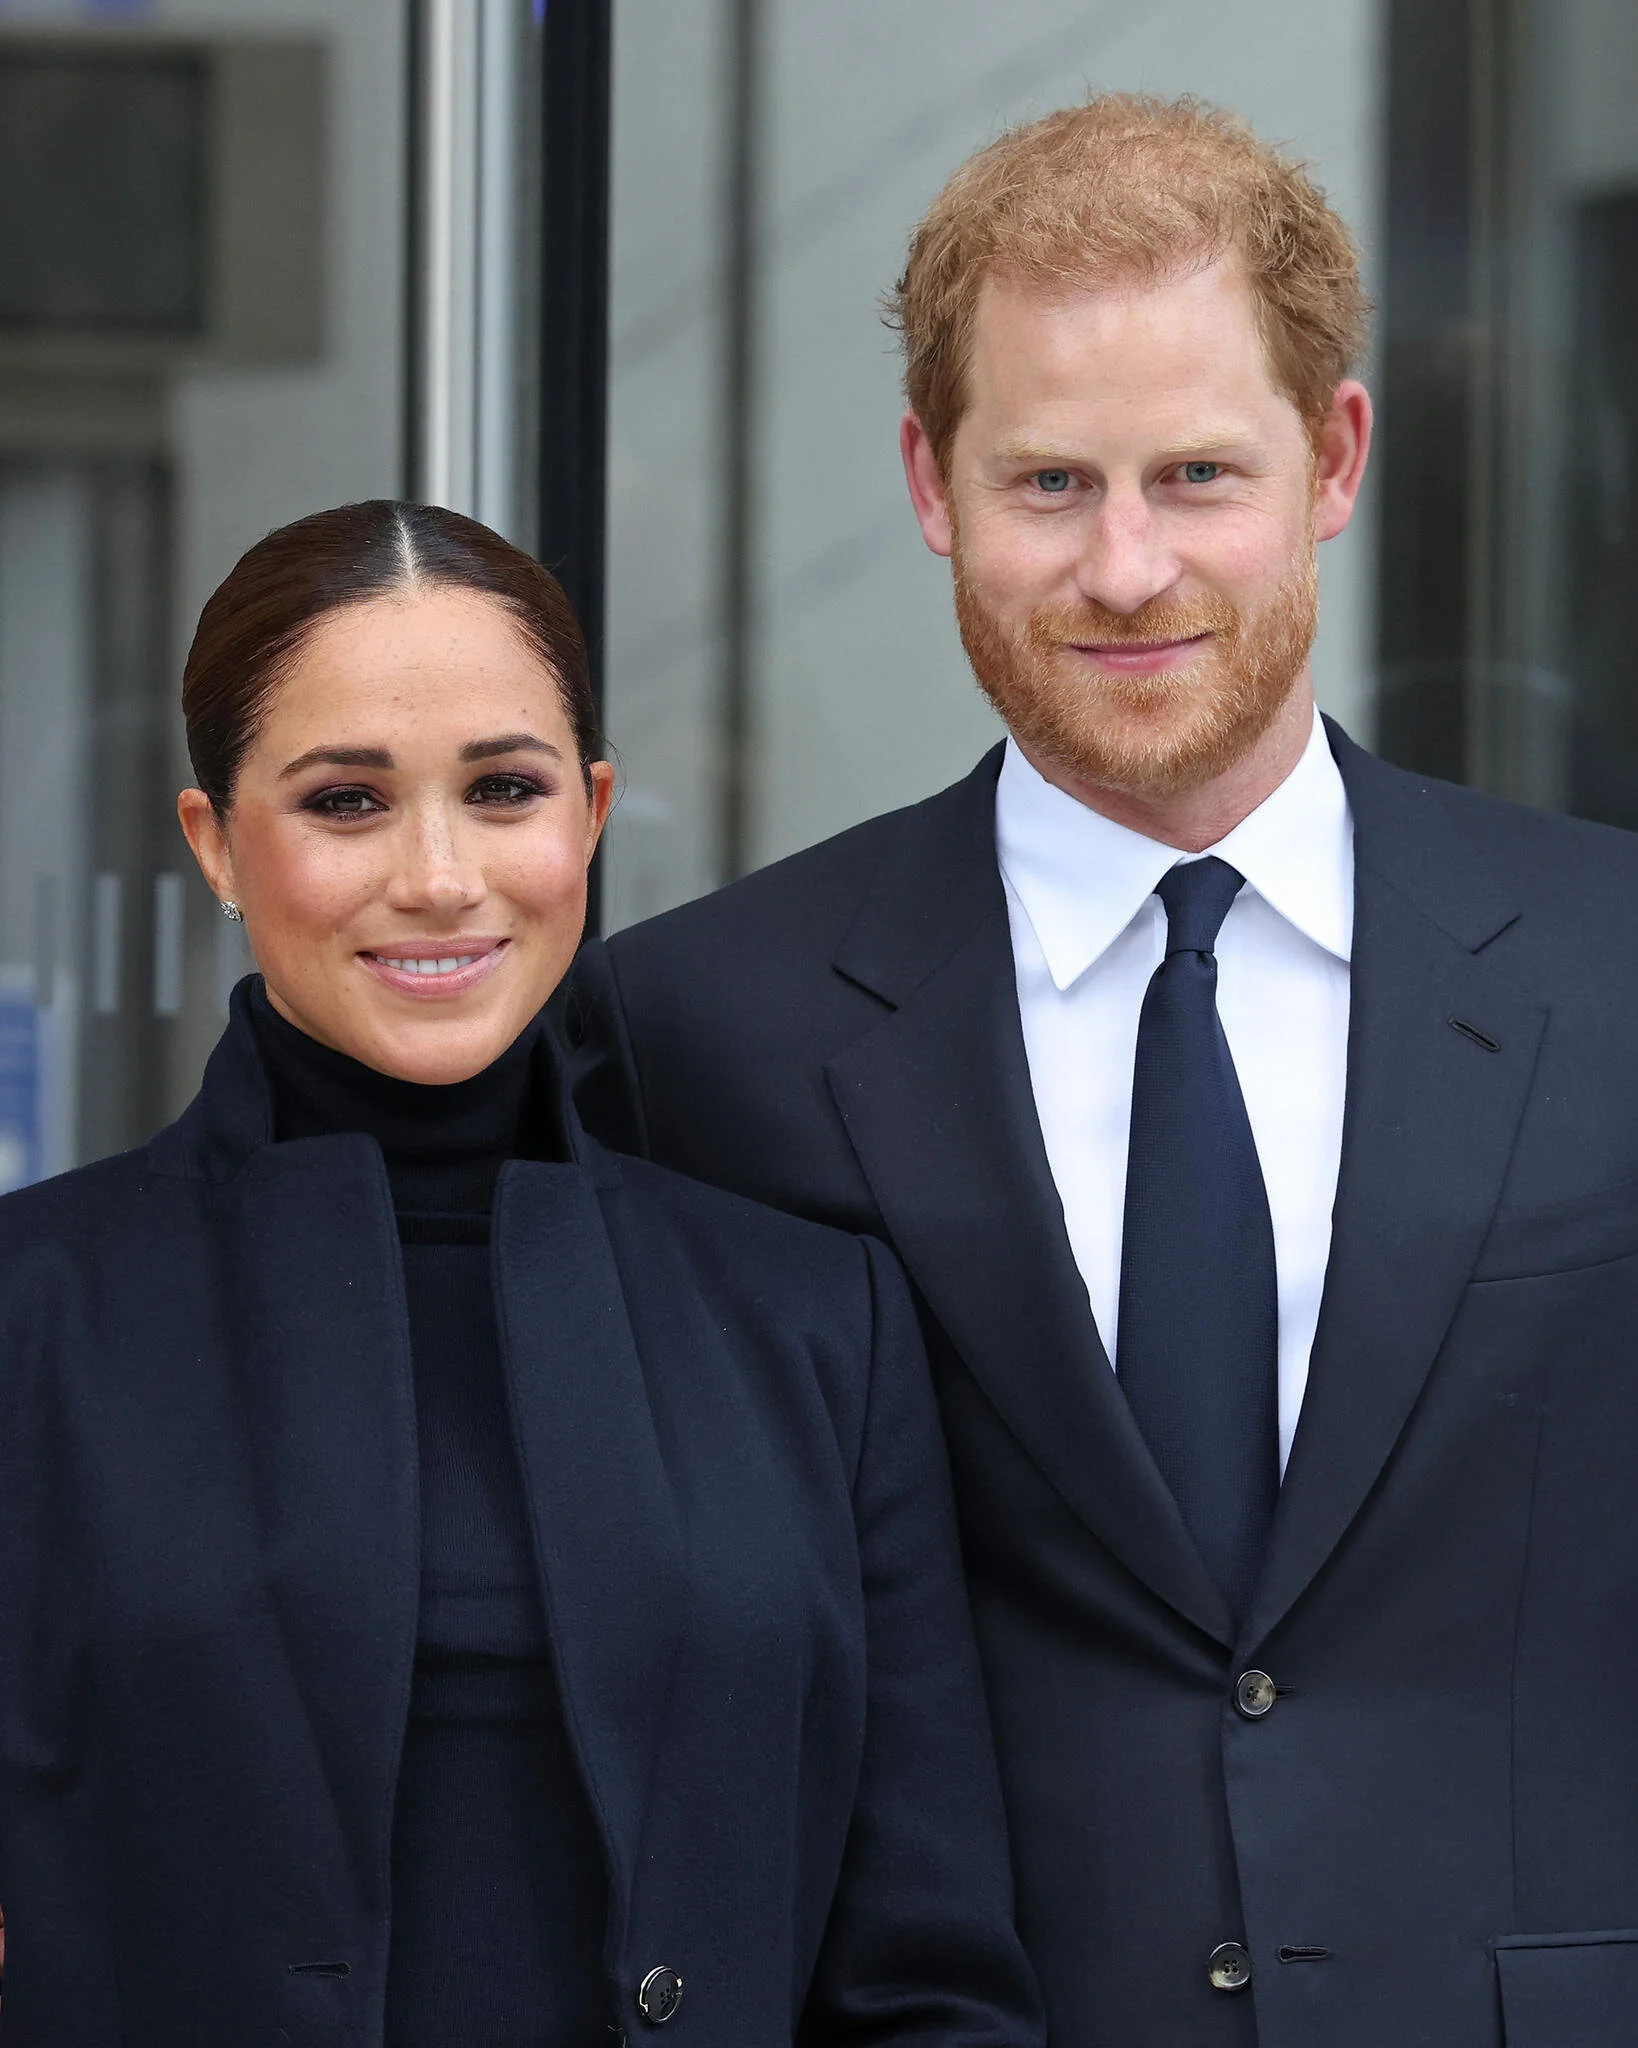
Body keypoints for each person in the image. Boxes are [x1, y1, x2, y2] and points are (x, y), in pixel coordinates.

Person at [564, 92, 1638, 2048]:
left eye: (1197, 475)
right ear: (928, 479)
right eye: (1050, 482)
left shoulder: (1620, 971)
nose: (1126, 569)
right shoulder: (698, 1029)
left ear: (1336, 457)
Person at [0, 501, 1044, 2048]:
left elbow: (927, 1974)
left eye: (503, 790)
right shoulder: (34, 1320)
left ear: (592, 814)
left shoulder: (815, 1325)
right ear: (216, 843)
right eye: (346, 802)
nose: (439, 876)